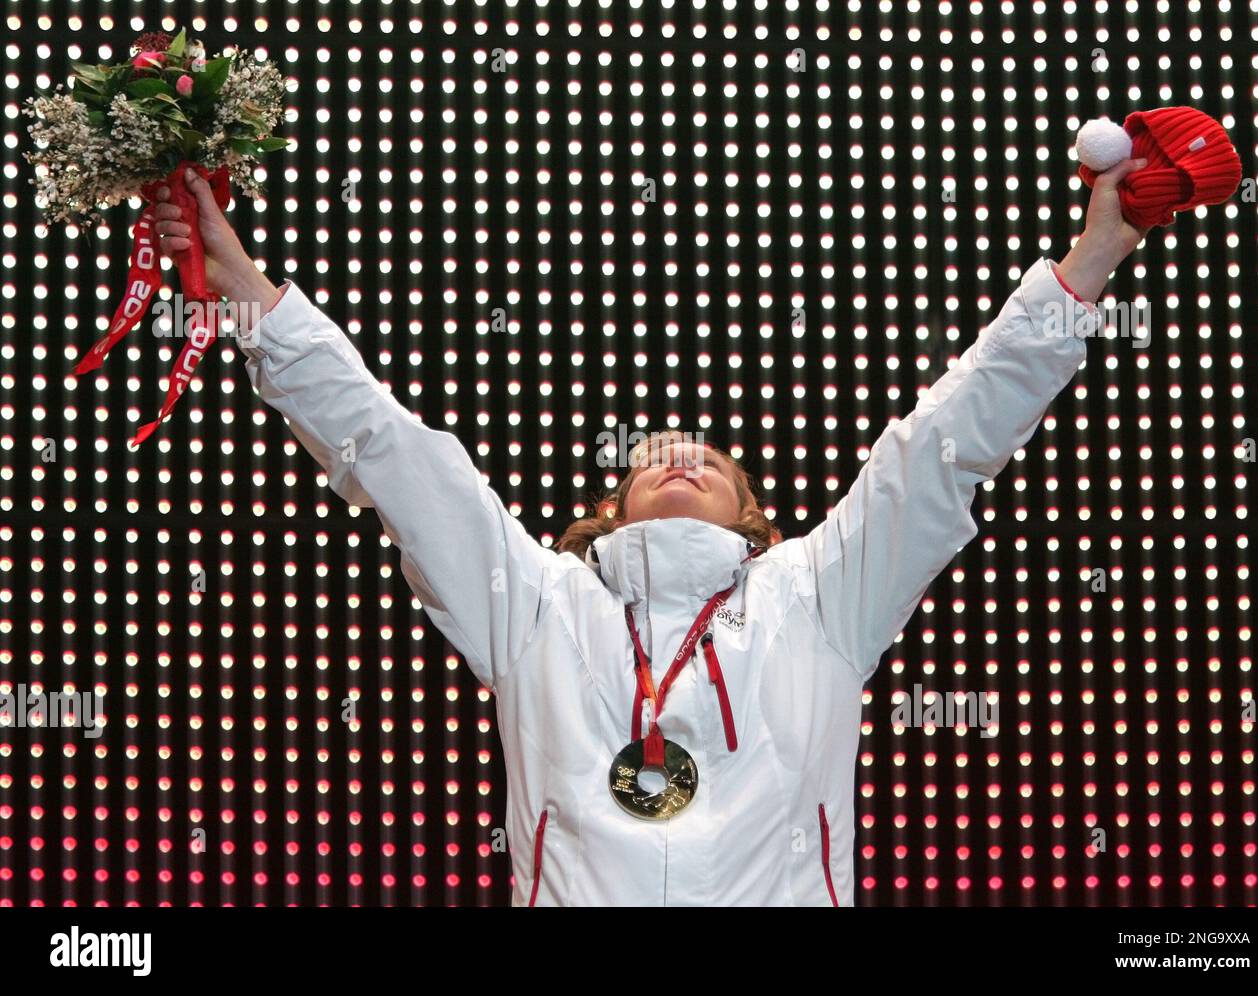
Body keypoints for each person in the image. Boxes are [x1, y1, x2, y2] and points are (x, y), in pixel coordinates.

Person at [153, 156, 1150, 905]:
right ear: (612, 506)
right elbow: (392, 452)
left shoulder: (817, 592)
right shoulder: (540, 600)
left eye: (709, 460)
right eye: (656, 456)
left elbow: (951, 439)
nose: (680, 459)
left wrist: (1094, 252)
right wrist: (241, 285)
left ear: (752, 515)